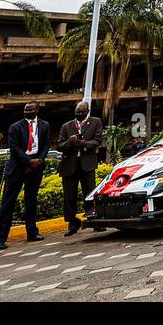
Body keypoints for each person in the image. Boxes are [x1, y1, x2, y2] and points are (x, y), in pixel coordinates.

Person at [0, 100, 50, 249]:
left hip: (36, 168)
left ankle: (32, 232)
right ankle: (0, 238)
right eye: (26, 110)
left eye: (31, 110)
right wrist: (28, 161)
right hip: (17, 169)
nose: (27, 112)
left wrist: (39, 160)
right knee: (8, 203)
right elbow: (14, 148)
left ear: (37, 110)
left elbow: (46, 145)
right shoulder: (15, 127)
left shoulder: (44, 125)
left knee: (31, 201)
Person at [56, 100, 103, 237]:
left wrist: (83, 143)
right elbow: (59, 146)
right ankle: (72, 223)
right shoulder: (66, 126)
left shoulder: (96, 122)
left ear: (87, 112)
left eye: (82, 112)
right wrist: (70, 142)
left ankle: (95, 222)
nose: (79, 114)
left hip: (87, 164)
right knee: (69, 196)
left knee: (90, 193)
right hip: (69, 166)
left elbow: (97, 140)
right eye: (77, 112)